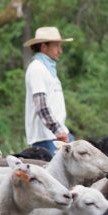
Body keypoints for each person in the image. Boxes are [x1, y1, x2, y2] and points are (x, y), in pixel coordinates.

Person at [24, 26, 74, 155]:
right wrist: (58, 131)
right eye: (56, 46)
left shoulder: (47, 69)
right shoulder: (37, 69)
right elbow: (41, 106)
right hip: (47, 137)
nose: (60, 51)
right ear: (44, 47)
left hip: (57, 135)